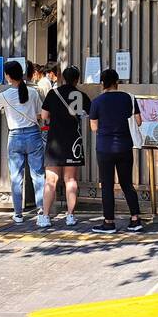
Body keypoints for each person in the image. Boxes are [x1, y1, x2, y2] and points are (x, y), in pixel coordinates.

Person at [0, 61, 48, 226]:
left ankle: (18, 214)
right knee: (38, 175)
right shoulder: (33, 92)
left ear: (7, 76)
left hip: (15, 137)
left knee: (16, 177)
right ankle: (42, 212)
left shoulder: (5, 95)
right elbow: (41, 114)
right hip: (34, 135)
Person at [88, 68, 145, 233]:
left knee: (107, 185)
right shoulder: (127, 98)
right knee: (127, 183)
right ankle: (135, 219)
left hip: (105, 148)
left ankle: (109, 222)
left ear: (102, 84)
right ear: (117, 83)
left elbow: (93, 127)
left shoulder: (97, 102)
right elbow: (139, 121)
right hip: (125, 146)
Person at [42, 64, 89, 227]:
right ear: (77, 79)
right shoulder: (81, 95)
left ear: (62, 77)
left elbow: (44, 115)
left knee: (51, 180)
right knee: (70, 179)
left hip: (55, 141)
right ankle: (70, 216)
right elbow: (90, 113)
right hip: (73, 141)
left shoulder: (53, 93)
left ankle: (46, 217)